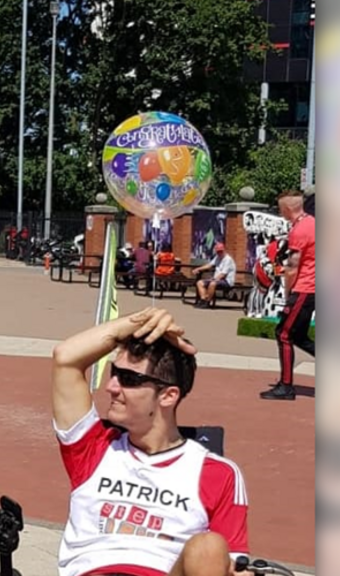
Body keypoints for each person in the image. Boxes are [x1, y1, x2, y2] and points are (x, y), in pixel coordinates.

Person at [51, 307, 251, 576]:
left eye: (129, 379)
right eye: (113, 372)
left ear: (168, 396)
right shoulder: (94, 447)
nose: (111, 387)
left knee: (209, 547)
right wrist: (138, 323)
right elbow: (65, 358)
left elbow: (234, 564)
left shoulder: (219, 474)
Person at [261, 190, 315, 401]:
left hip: (303, 287)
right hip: (312, 288)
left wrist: (288, 291)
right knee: (299, 336)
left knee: (283, 333)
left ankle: (286, 386)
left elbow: (292, 267)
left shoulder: (299, 230)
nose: (280, 212)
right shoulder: (312, 223)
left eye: (280, 208)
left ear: (287, 208)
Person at [192, 243, 236, 308]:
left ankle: (207, 302)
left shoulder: (228, 260)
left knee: (212, 283)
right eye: (218, 251)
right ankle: (203, 300)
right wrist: (198, 269)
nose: (219, 253)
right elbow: (209, 265)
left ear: (224, 250)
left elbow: (223, 274)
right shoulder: (217, 257)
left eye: (221, 251)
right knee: (199, 283)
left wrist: (214, 279)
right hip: (216, 279)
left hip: (226, 281)